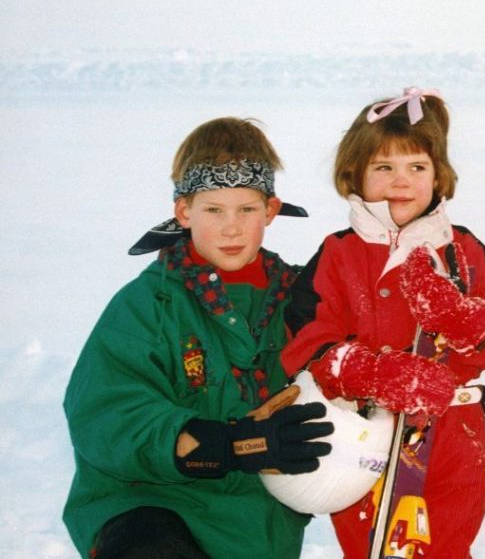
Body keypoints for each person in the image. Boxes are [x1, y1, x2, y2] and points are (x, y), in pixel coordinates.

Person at [62, 117, 334, 559]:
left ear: (270, 209)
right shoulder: (149, 304)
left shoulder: (301, 300)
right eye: (214, 210)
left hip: (257, 524)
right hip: (152, 507)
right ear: (184, 211)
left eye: (246, 210)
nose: (231, 228)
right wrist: (229, 444)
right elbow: (104, 414)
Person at [281, 87, 485, 559]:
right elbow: (306, 340)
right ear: (355, 173)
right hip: (368, 436)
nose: (401, 181)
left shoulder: (462, 249)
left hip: (457, 432)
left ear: (439, 176)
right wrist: (369, 372)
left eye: (417, 167)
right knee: (374, 545)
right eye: (384, 167)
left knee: (449, 543)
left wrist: (464, 319)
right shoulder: (339, 253)